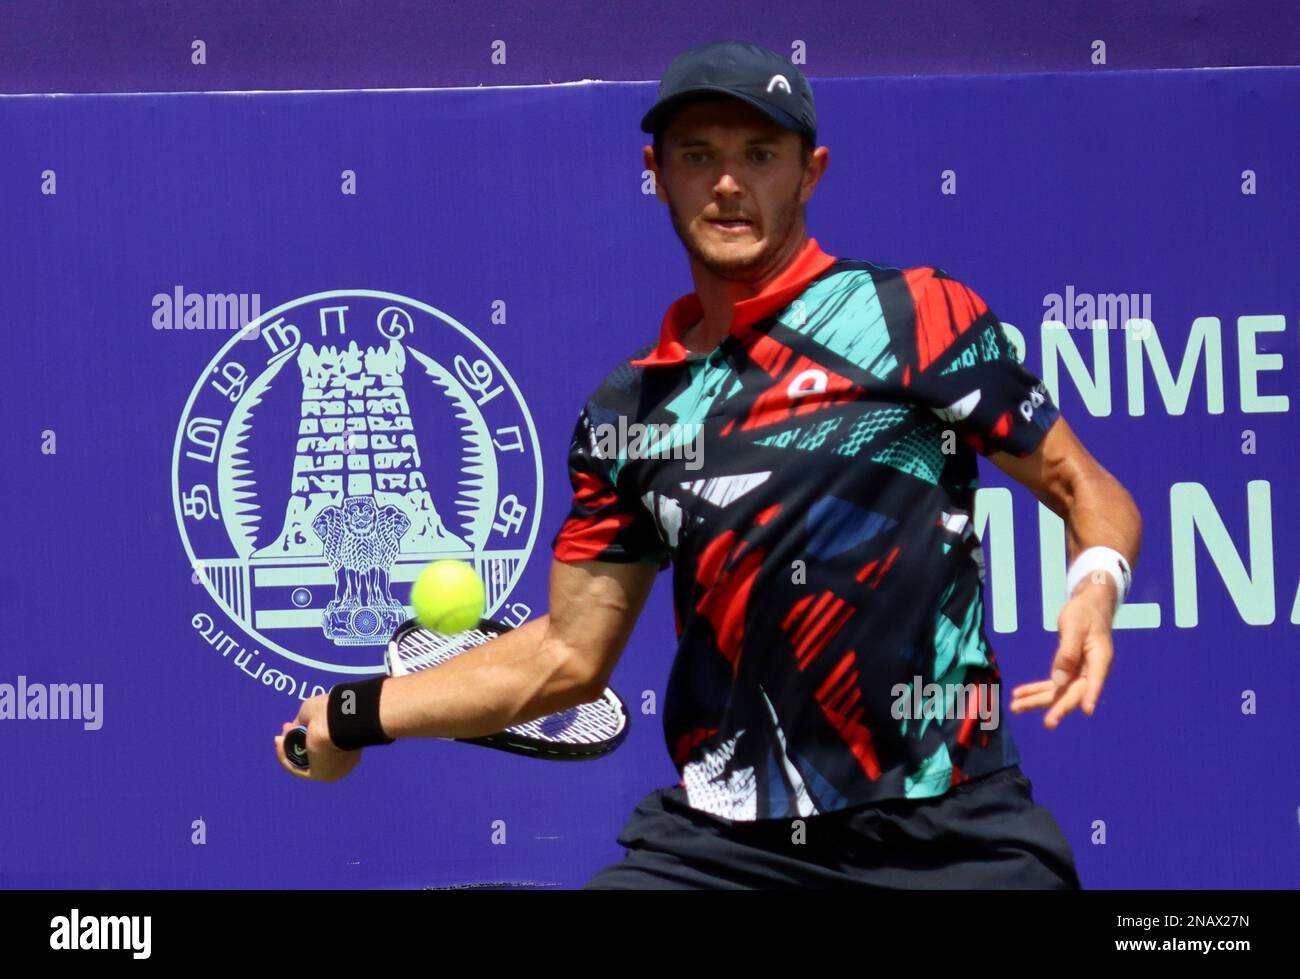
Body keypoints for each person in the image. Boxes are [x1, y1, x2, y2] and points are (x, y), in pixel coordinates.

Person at [276, 40, 1142, 890]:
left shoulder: (915, 314)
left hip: (947, 830)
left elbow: (1084, 486)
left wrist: (1096, 586)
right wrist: (356, 714)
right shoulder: (631, 412)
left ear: (811, 171)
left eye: (760, 154)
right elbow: (566, 657)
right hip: (725, 849)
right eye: (699, 156)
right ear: (656, 171)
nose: (729, 183)